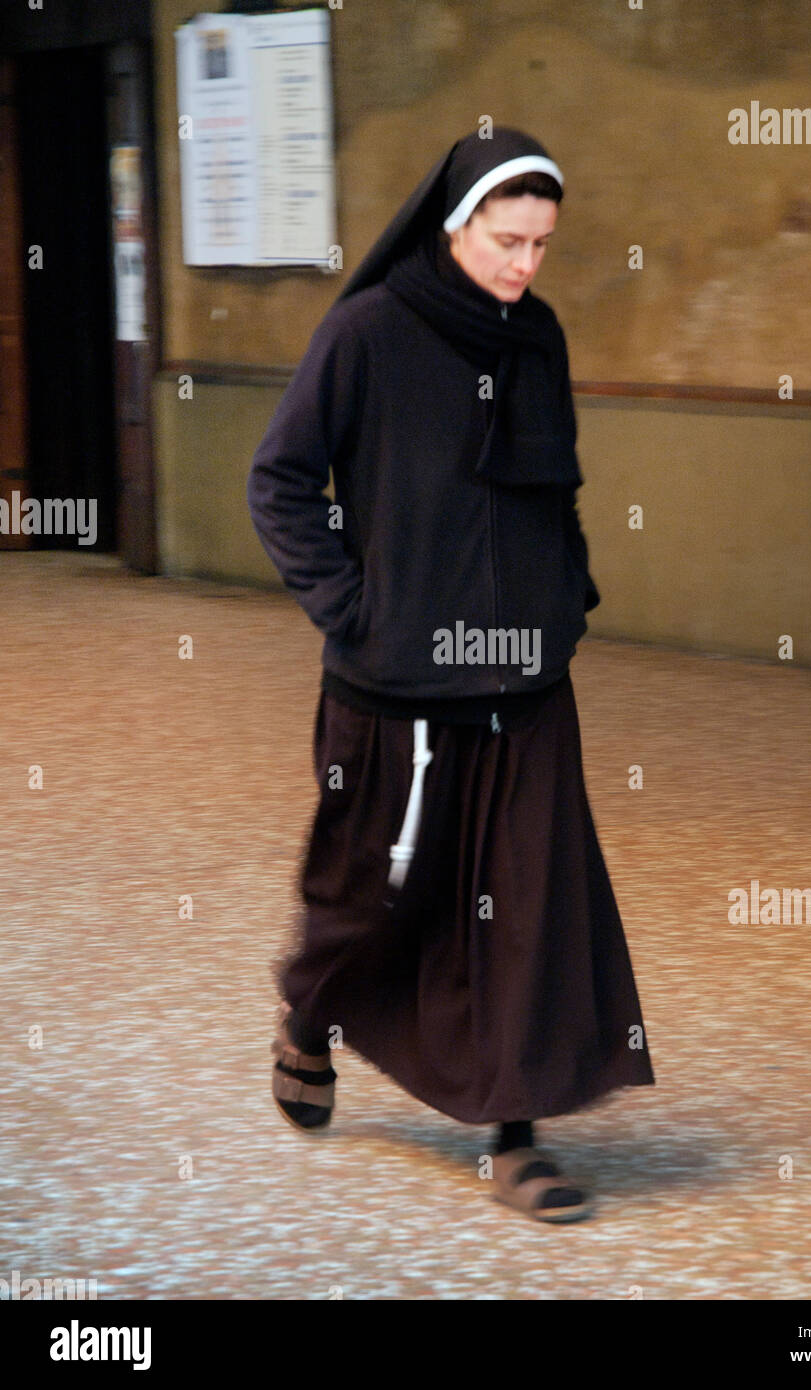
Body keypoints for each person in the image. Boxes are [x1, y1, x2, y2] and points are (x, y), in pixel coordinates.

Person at [246, 126, 654, 1223]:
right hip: (393, 692)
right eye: (506, 240)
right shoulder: (368, 334)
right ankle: (309, 1017)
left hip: (522, 687)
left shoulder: (539, 337)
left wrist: (566, 598)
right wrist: (355, 612)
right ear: (454, 222)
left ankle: (517, 1136)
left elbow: (553, 483)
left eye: (541, 245)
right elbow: (279, 480)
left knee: (527, 909)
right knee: (368, 894)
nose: (525, 265)